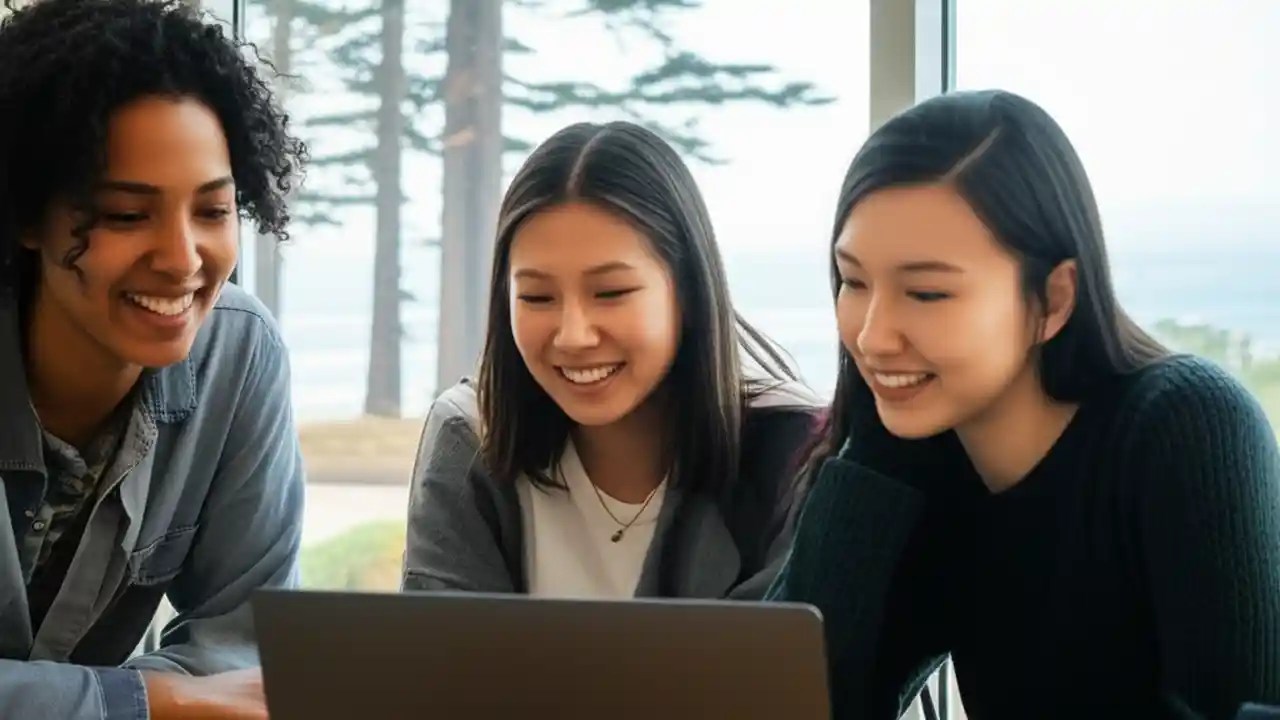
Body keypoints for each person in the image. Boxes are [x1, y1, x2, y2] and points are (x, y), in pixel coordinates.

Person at [768, 89, 1280, 719]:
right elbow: (796, 700)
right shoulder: (923, 450)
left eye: (926, 293)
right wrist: (875, 435)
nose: (872, 335)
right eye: (854, 281)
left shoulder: (1186, 425)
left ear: (1054, 298)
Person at [0, 0, 308, 718]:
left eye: (212, 211)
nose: (182, 259)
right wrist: (147, 699)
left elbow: (248, 650)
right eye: (126, 214)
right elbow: (200, 697)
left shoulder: (239, 354)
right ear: (27, 215)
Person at [403, 121, 822, 600]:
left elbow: (786, 645)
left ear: (688, 290)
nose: (573, 335)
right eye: (537, 297)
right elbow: (441, 644)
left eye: (610, 293)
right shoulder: (471, 434)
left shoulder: (794, 446)